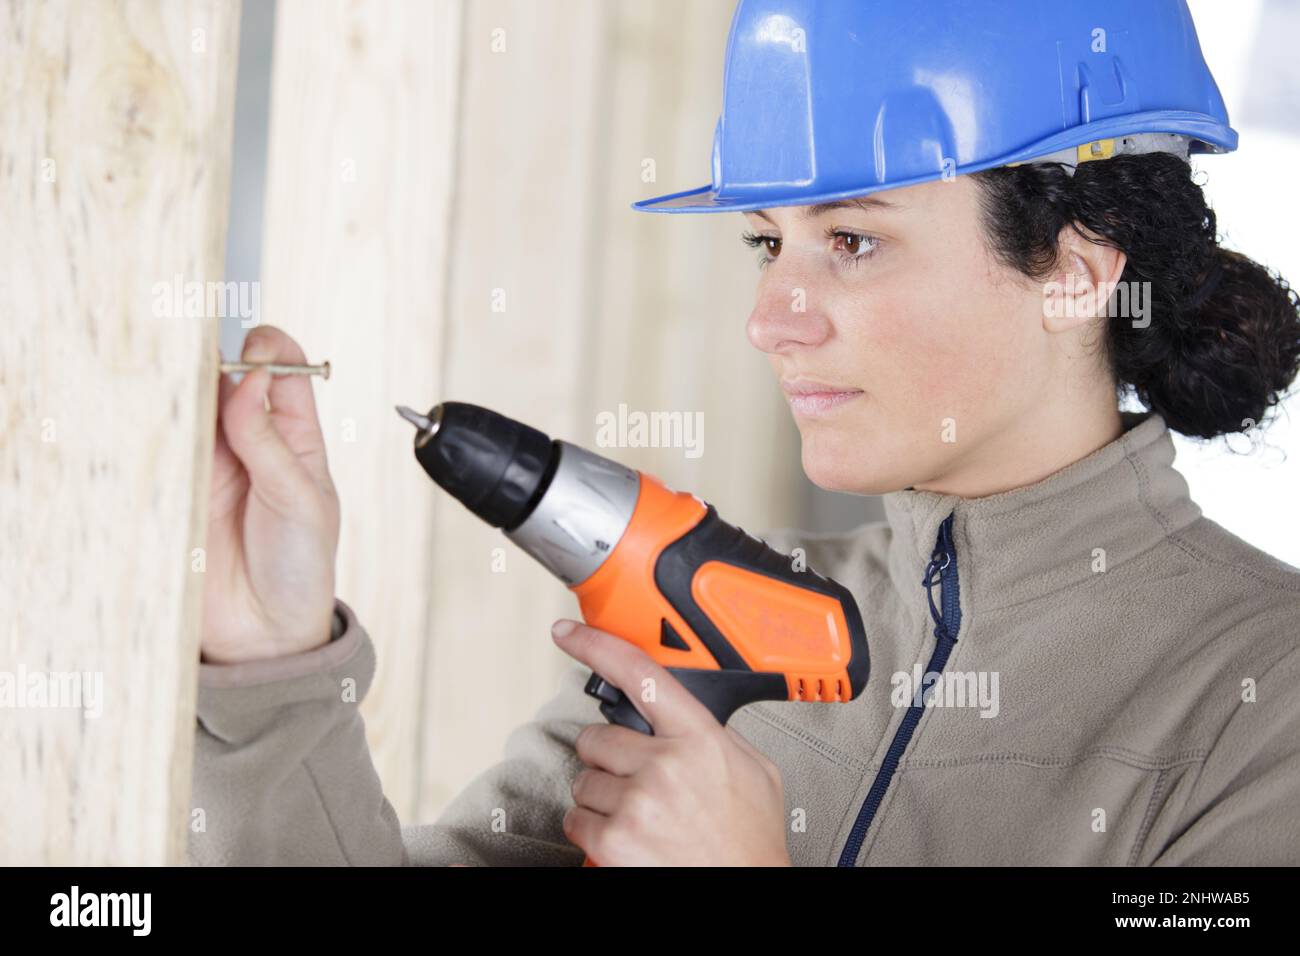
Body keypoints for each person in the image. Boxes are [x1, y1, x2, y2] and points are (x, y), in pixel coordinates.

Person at [190, 0, 1300, 866]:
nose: (769, 319)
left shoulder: (1261, 698)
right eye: (767, 244)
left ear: (1073, 272)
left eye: (853, 242)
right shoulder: (728, 622)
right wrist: (274, 665)